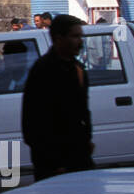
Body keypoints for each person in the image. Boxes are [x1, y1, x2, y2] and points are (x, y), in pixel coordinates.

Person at [21, 14, 93, 182]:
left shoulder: (78, 70)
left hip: (79, 160)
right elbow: (33, 124)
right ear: (59, 38)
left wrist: (86, 140)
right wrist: (54, 163)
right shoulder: (43, 71)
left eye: (81, 36)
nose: (80, 42)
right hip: (53, 167)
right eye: (75, 36)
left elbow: (83, 112)